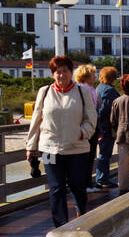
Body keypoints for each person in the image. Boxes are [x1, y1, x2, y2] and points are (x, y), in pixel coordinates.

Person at [26, 56, 97, 227]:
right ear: (52, 74)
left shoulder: (82, 92)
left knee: (77, 186)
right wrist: (31, 146)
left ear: (71, 73)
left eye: (65, 71)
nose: (61, 75)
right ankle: (61, 226)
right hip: (49, 149)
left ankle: (82, 220)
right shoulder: (44, 92)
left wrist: (82, 132)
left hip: (77, 149)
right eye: (57, 72)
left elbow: (91, 119)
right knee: (56, 187)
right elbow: (36, 120)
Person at [93, 66, 120, 189]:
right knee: (105, 153)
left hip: (99, 126)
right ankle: (102, 178)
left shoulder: (98, 88)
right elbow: (105, 109)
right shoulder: (109, 91)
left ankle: (101, 177)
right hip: (106, 127)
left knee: (102, 153)